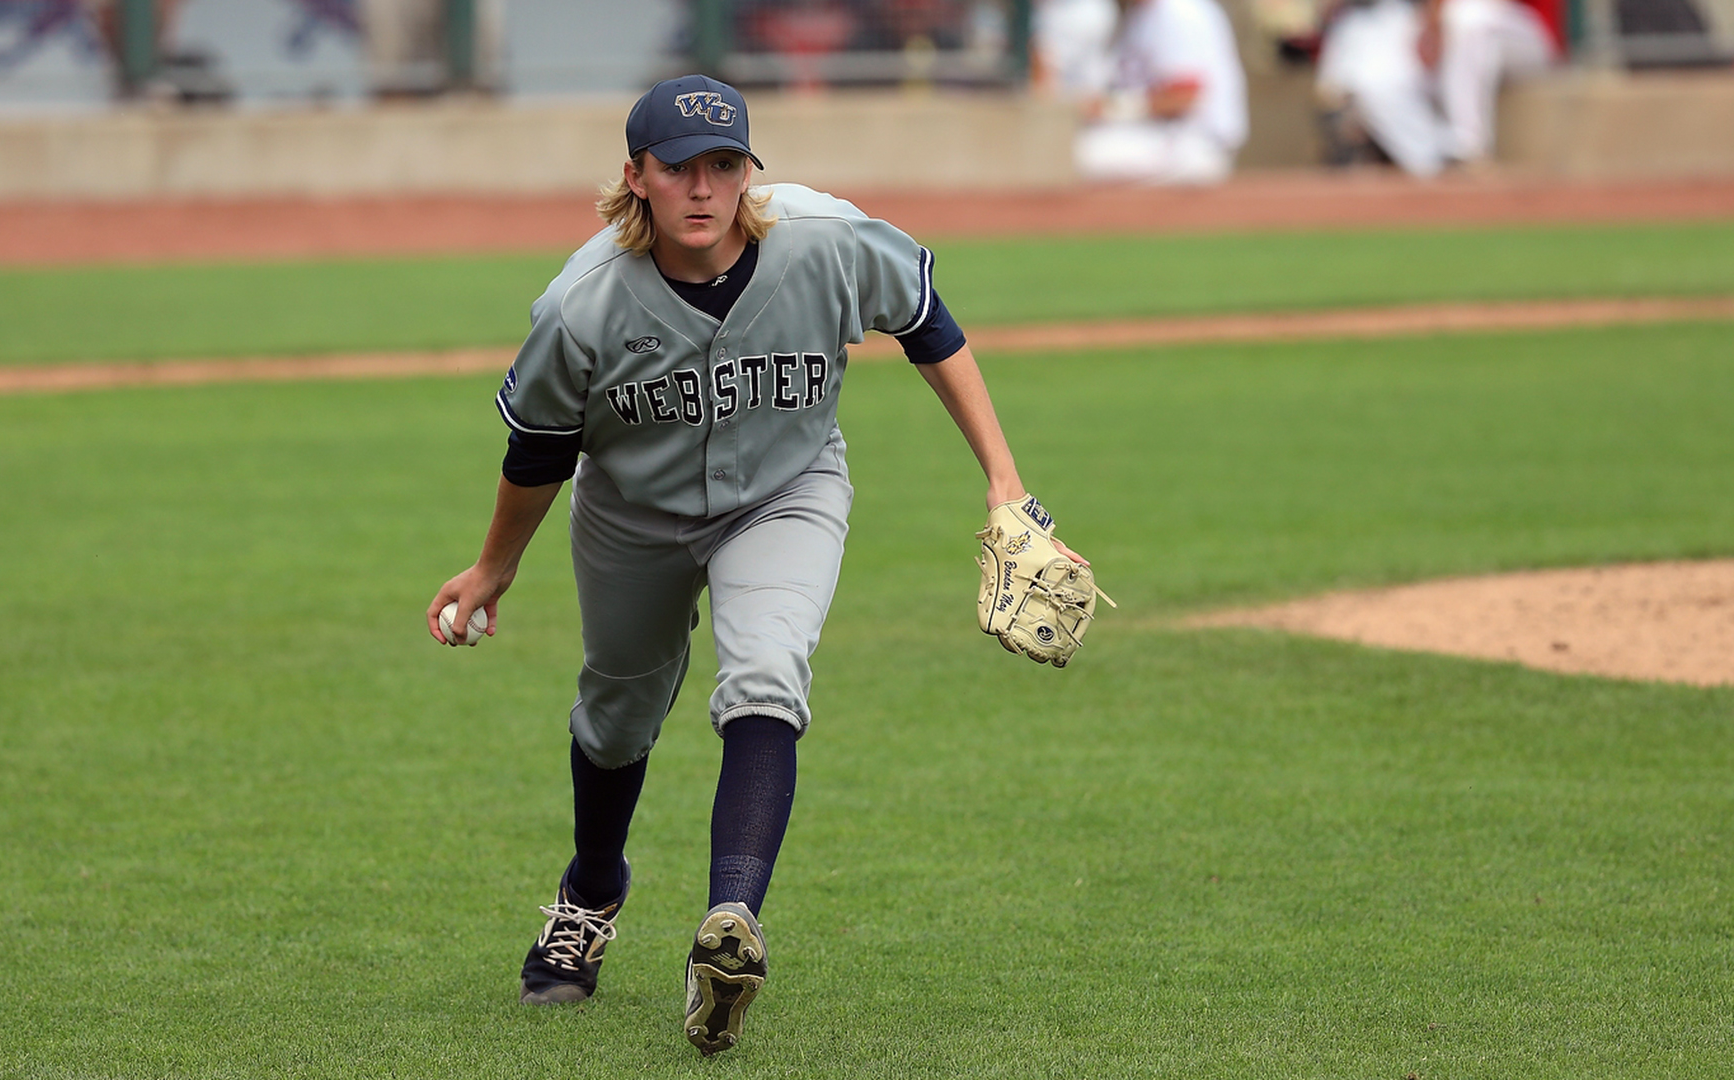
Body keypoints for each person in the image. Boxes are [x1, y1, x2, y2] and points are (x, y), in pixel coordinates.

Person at [425, 73, 1082, 1056]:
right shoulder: (583, 304)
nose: (703, 187)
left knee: (767, 675)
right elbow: (537, 452)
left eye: (723, 165)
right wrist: (493, 570)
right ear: (635, 177)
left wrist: (1004, 482)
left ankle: (727, 929)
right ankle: (591, 892)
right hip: (632, 513)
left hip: (786, 489)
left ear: (747, 173)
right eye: (678, 168)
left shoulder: (822, 242)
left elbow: (927, 324)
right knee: (616, 714)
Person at [1316, 0, 1560, 175]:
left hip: (1525, 32)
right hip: (1437, 27)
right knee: (1375, 80)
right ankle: (1434, 167)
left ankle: (1468, 150)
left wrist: (1433, 19)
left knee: (1469, 15)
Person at [1071, 0, 1248, 185]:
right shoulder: (1141, 13)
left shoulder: (1176, 11)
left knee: (1075, 155)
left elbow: (1184, 96)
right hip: (1165, 137)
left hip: (1195, 143)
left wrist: (1111, 108)